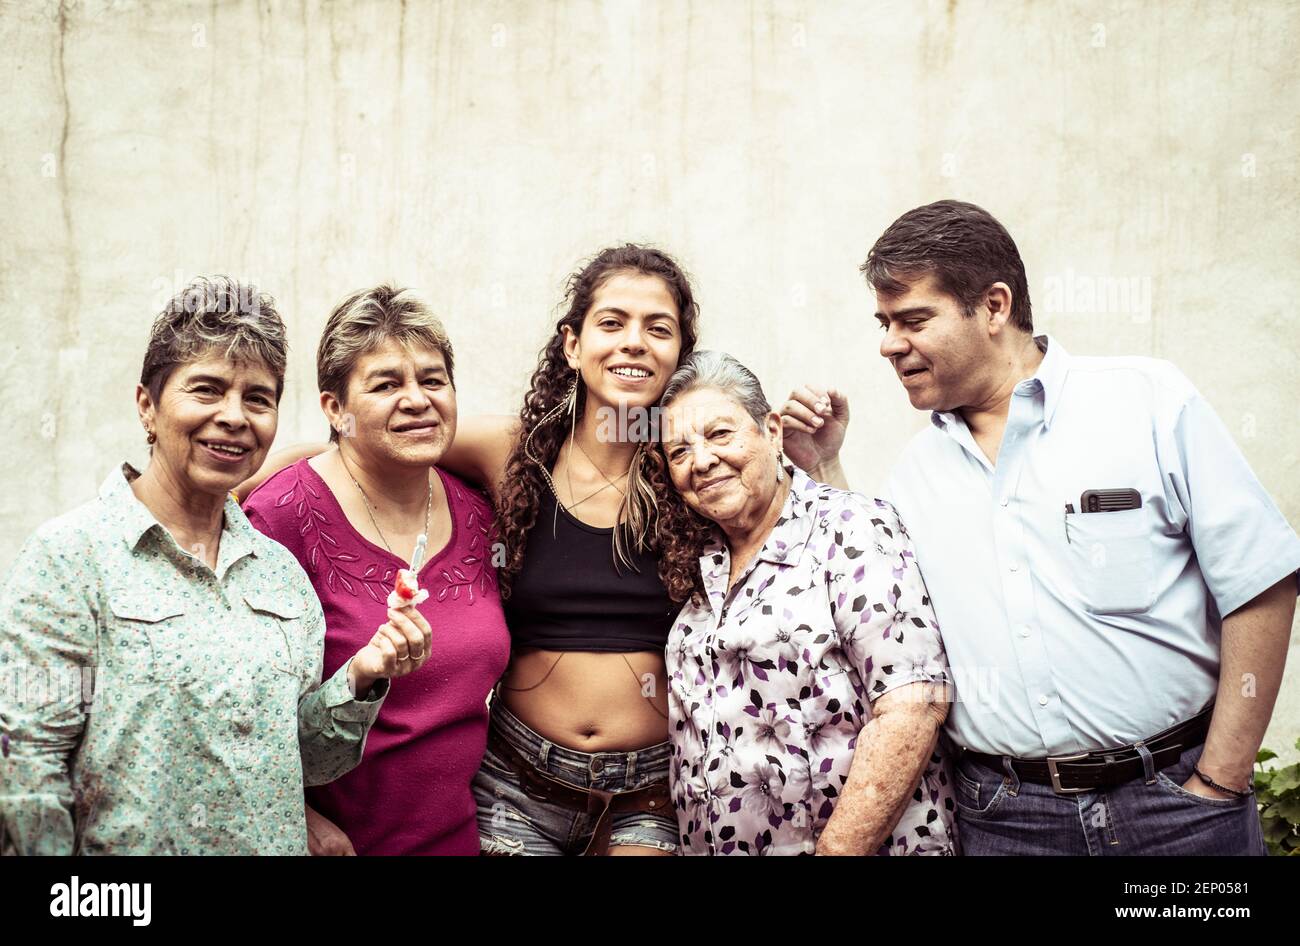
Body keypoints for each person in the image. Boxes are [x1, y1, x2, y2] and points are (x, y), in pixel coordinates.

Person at [781, 200, 1300, 855]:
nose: (888, 343)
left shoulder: (1147, 402)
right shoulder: (916, 474)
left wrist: (1219, 779)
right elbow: (877, 611)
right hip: (1008, 823)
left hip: (1178, 813)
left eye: (913, 319)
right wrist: (826, 463)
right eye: (884, 323)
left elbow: (1261, 581)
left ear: (994, 306)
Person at [237, 245, 703, 855]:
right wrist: (227, 485)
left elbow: (802, 530)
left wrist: (822, 455)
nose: (634, 342)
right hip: (522, 782)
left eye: (658, 329)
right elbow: (369, 438)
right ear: (571, 344)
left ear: (680, 355)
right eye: (612, 322)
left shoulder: (695, 463)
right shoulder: (518, 451)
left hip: (648, 790)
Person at [0, 277, 428, 855]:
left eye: (258, 398)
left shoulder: (279, 574)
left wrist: (362, 676)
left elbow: (303, 761)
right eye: (206, 390)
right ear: (147, 405)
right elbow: (28, 772)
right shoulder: (70, 559)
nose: (234, 417)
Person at [241, 286, 511, 855]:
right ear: (335, 410)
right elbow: (234, 709)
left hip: (458, 840)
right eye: (386, 384)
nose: (417, 400)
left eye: (432, 380)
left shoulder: (481, 514)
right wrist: (301, 817)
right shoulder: (279, 517)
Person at [656, 351, 954, 855]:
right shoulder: (699, 558)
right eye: (679, 451)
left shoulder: (853, 526)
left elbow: (913, 706)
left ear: (772, 432)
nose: (701, 461)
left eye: (720, 434)